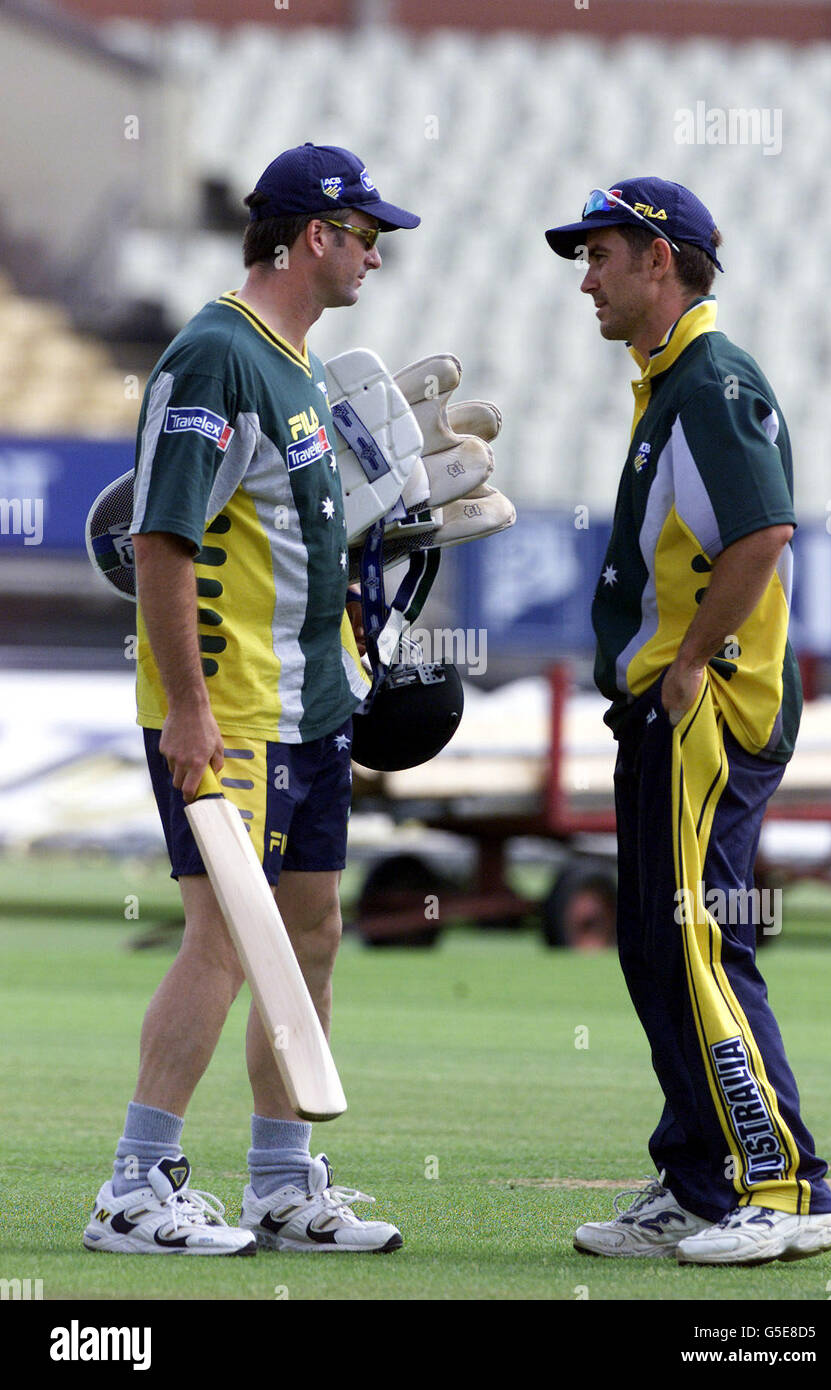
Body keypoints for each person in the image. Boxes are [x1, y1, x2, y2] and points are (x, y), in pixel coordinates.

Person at [83, 143, 418, 1256]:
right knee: (225, 938)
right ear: (311, 235)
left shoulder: (294, 362)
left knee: (311, 934)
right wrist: (187, 709)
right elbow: (163, 540)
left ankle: (280, 1182)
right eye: (364, 233)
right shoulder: (219, 354)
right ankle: (134, 1185)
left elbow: (291, 541)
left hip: (307, 710)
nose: (376, 251)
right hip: (229, 709)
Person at [545, 178, 831, 1265]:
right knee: (655, 946)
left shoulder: (710, 381)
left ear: (657, 261)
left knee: (696, 942)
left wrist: (682, 668)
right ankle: (702, 1178)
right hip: (673, 715)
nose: (585, 278)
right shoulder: (670, 380)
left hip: (705, 714)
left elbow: (762, 535)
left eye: (599, 255)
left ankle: (783, 1185)